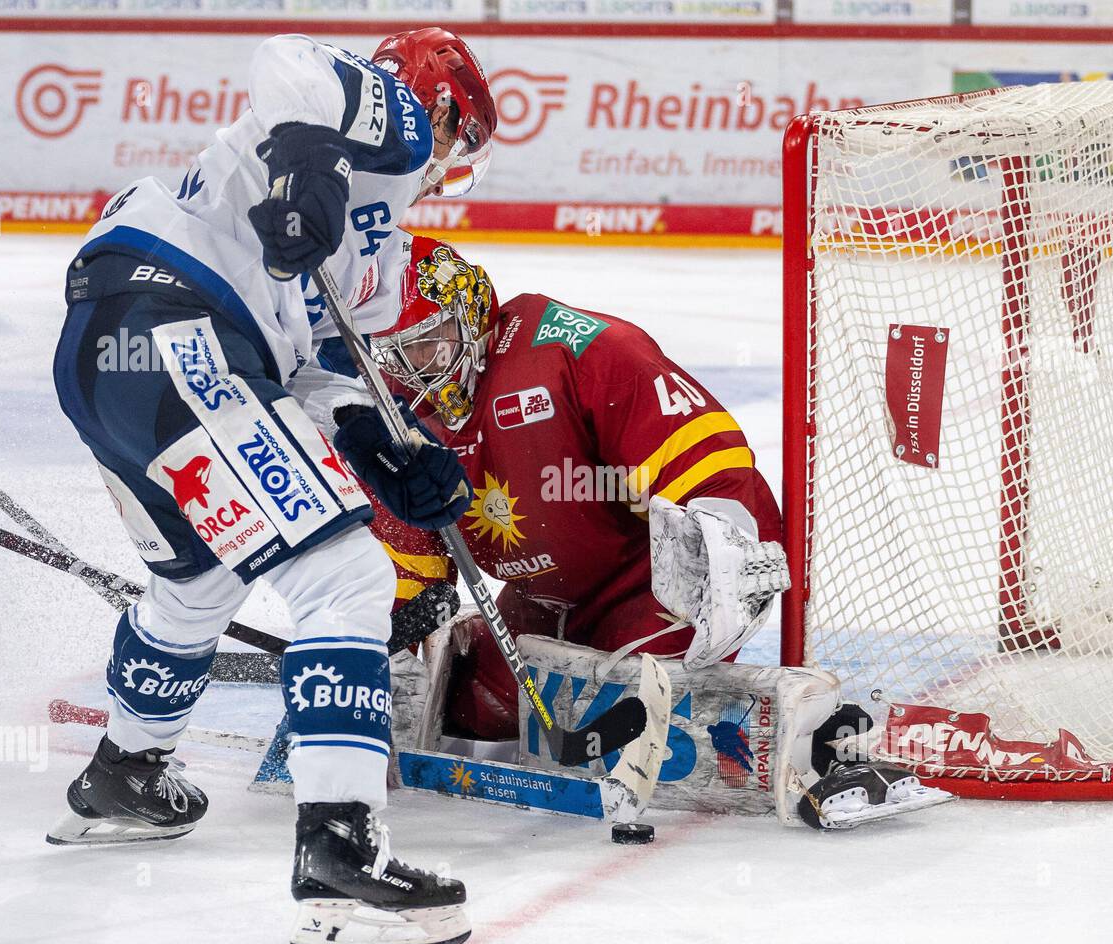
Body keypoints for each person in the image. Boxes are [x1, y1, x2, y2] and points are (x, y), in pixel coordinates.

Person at [46, 30, 496, 944]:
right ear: (441, 105)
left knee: (201, 578)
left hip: (125, 356)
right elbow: (289, 60)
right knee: (346, 583)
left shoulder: (381, 267)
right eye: (460, 140)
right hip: (173, 321)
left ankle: (125, 776)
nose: (447, 168)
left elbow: (322, 379)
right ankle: (339, 858)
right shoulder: (383, 117)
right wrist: (307, 167)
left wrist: (387, 447)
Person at [317, 237, 789, 743]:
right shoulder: (394, 410)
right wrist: (386, 632)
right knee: (471, 705)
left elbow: (708, 462)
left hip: (649, 581)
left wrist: (727, 557)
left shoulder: (567, 350)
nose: (416, 370)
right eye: (394, 355)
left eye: (430, 341)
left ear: (470, 311)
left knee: (618, 710)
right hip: (548, 598)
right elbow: (408, 544)